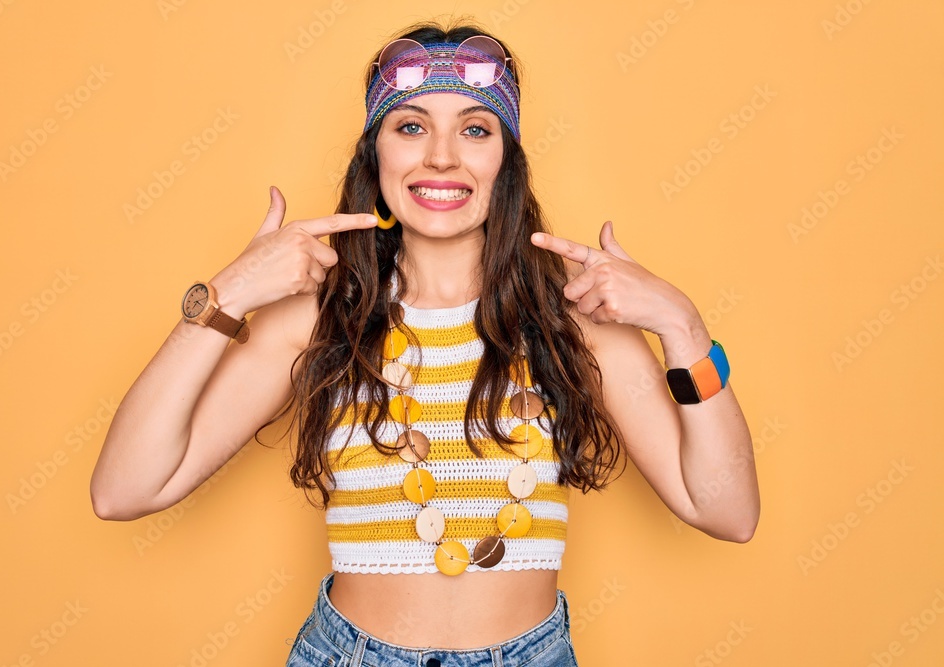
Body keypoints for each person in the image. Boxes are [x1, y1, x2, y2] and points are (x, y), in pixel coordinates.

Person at [90, 19, 760, 667]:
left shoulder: (573, 321)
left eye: (475, 129)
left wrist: (684, 328)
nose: (442, 155)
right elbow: (124, 488)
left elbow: (726, 509)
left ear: (507, 161)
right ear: (375, 155)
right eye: (411, 127)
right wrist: (228, 291)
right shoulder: (319, 320)